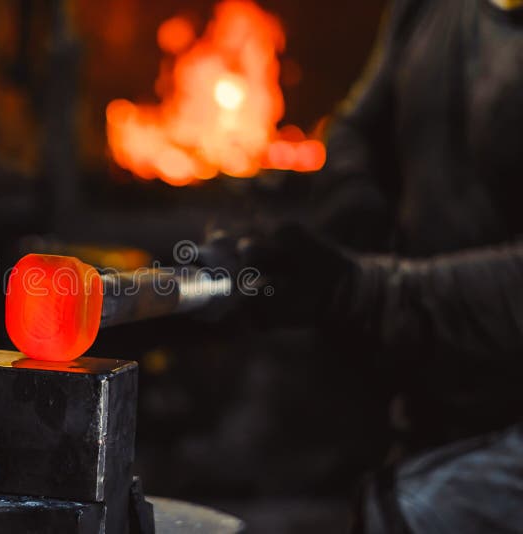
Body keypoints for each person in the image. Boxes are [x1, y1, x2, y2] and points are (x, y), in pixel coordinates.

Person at [221, 0, 523, 532]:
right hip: (430, 399)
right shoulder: (429, 9)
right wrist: (353, 202)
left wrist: (366, 289)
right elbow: (354, 126)